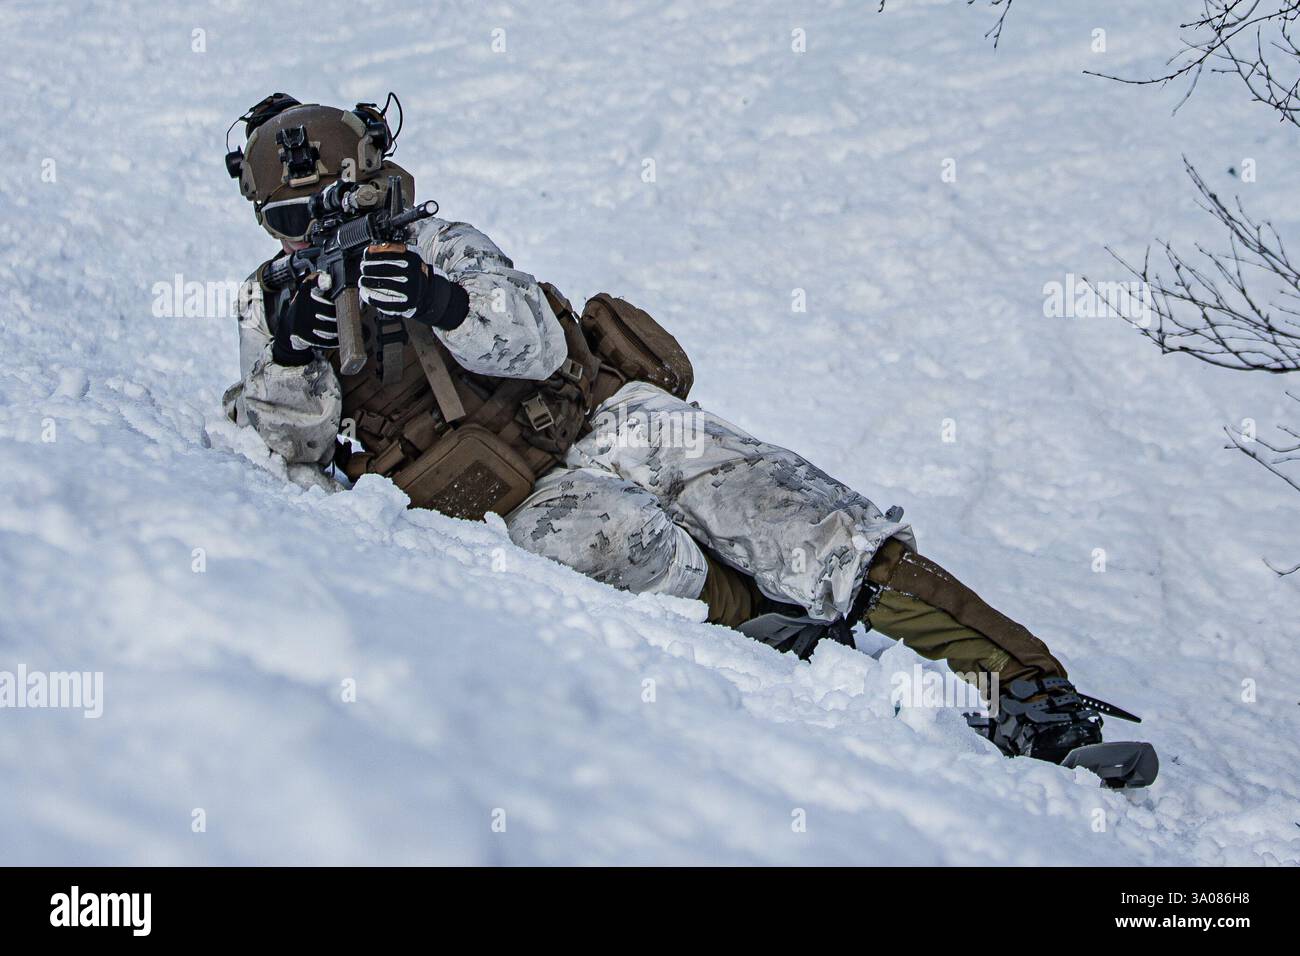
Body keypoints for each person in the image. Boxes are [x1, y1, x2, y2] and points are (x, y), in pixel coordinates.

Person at [221, 93, 1146, 775]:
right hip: (516, 498)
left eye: (323, 214)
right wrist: (296, 355)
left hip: (594, 416)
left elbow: (536, 341)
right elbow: (285, 454)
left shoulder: (439, 241)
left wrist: (440, 300)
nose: (309, 240)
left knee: (792, 512)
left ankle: (1021, 686)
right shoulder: (273, 306)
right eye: (285, 224)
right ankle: (788, 636)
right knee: (627, 555)